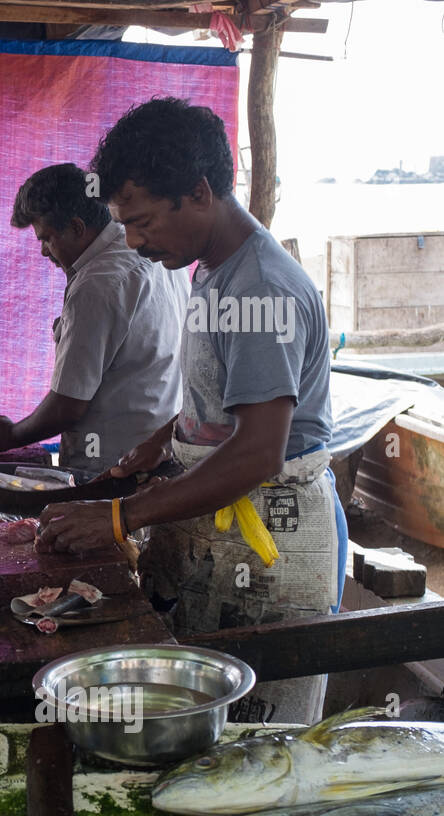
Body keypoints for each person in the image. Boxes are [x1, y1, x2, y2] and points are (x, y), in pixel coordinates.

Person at [35, 98, 346, 724]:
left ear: (199, 193)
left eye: (144, 221)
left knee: (255, 757)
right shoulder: (213, 269)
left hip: (268, 547)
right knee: (200, 731)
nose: (137, 243)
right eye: (126, 225)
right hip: (220, 534)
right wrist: (165, 437)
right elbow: (219, 401)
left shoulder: (259, 285)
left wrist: (120, 517)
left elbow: (259, 450)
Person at [0, 163, 187, 477]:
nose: (44, 252)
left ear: (77, 227)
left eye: (47, 239)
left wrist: (11, 435)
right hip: (161, 456)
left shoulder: (97, 284)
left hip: (114, 472)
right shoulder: (157, 252)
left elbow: (68, 406)